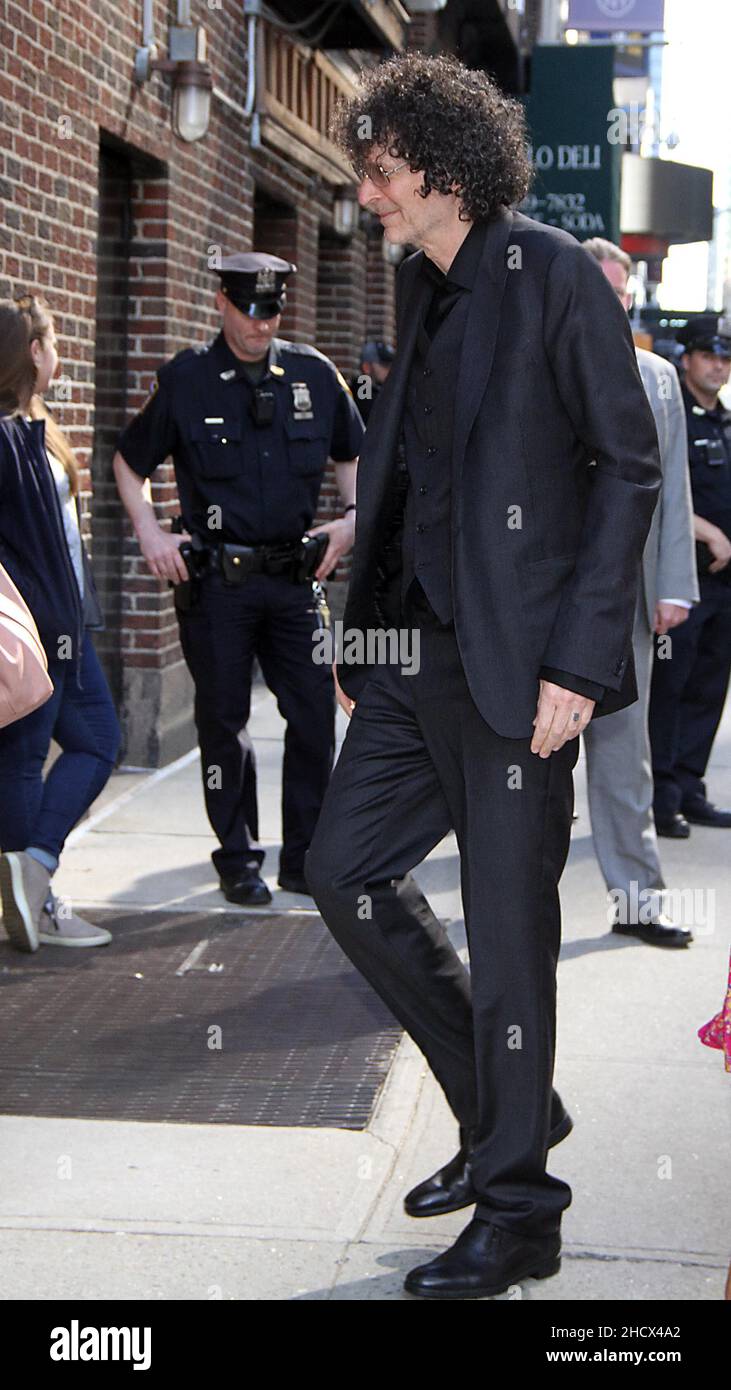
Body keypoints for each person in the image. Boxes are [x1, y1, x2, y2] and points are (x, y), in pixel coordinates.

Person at [304, 53, 661, 1301]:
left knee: (510, 945)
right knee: (341, 872)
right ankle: (505, 1110)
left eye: (381, 171)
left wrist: (580, 660)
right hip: (411, 660)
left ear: (449, 172)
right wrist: (364, 620)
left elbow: (627, 469)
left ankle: (520, 1213)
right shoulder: (423, 287)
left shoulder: (553, 276)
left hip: (521, 669)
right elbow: (417, 475)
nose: (367, 193)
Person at [114, 253, 363, 905]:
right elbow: (127, 460)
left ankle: (303, 857)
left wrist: (351, 520)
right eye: (250, 310)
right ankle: (238, 858)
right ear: (221, 301)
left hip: (294, 577)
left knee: (314, 716)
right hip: (217, 587)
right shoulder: (187, 380)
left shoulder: (312, 374)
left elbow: (352, 455)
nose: (261, 324)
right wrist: (150, 533)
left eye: (272, 310)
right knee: (223, 723)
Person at [580, 239, 698, 949]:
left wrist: (674, 587)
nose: (610, 306)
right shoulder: (529, 363)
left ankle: (636, 901)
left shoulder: (657, 380)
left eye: (619, 296)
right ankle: (517, 904)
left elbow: (673, 489)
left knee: (625, 756)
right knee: (529, 762)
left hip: (627, 599)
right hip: (545, 596)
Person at [0, 295, 120, 952]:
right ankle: (29, 899)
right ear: (30, 353)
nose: (60, 354)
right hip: (30, 630)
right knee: (20, 761)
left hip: (66, 624)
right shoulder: (6, 436)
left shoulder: (35, 428)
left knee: (96, 740)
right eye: (52, 342)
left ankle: (32, 874)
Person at [649, 316, 731, 836]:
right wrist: (709, 533)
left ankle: (691, 788)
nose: (718, 365)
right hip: (685, 579)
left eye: (725, 357)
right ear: (687, 360)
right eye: (708, 355)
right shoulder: (674, 414)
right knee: (671, 690)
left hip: (725, 586)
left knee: (708, 688)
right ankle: (662, 798)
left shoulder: (726, 421)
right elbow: (659, 486)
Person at [349, 340, 395, 424]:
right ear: (367, 367)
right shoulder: (364, 389)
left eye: (392, 365)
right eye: (385, 365)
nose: (390, 370)